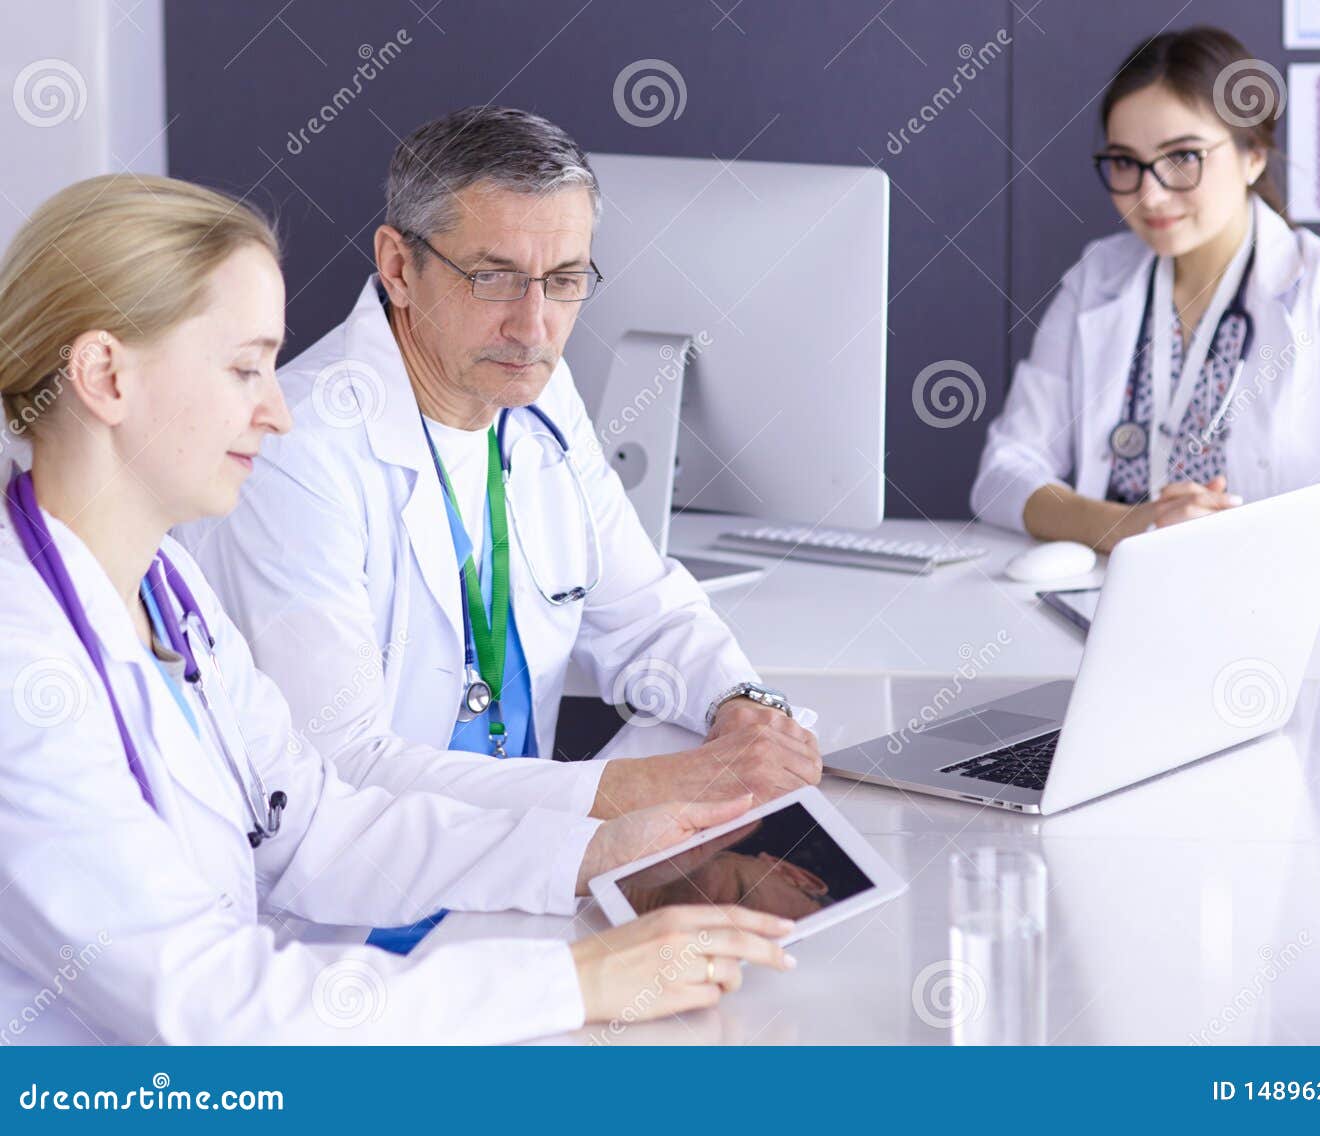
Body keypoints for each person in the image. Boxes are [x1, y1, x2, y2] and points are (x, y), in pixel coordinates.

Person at [0, 173, 795, 1044]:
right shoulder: (23, 667)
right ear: (105, 376)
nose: (276, 410)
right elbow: (210, 1005)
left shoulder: (165, 589)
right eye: (242, 369)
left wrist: (590, 853)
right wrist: (573, 981)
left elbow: (311, 826)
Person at [970, 26, 1320, 557]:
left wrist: (1271, 536)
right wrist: (1127, 526)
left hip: (1285, 620)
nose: (1151, 194)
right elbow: (1001, 477)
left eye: (1183, 158)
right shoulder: (1098, 278)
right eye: (1125, 163)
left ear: (1253, 154)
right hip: (1113, 600)